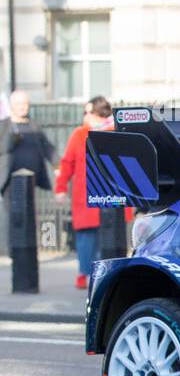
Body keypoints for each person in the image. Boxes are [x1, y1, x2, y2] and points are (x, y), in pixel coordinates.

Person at [55, 96, 115, 288]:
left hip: (111, 196)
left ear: (99, 113)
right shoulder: (79, 134)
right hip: (85, 196)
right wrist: (61, 188)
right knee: (86, 239)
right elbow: (67, 163)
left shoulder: (115, 131)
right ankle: (85, 274)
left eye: (88, 112)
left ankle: (107, 277)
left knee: (110, 240)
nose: (85, 116)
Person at [0, 89, 55, 197]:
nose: (22, 107)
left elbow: (47, 148)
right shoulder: (3, 126)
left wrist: (58, 166)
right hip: (9, 182)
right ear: (11, 105)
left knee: (29, 211)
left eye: (24, 103)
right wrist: (9, 143)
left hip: (31, 180)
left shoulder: (34, 126)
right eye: (18, 104)